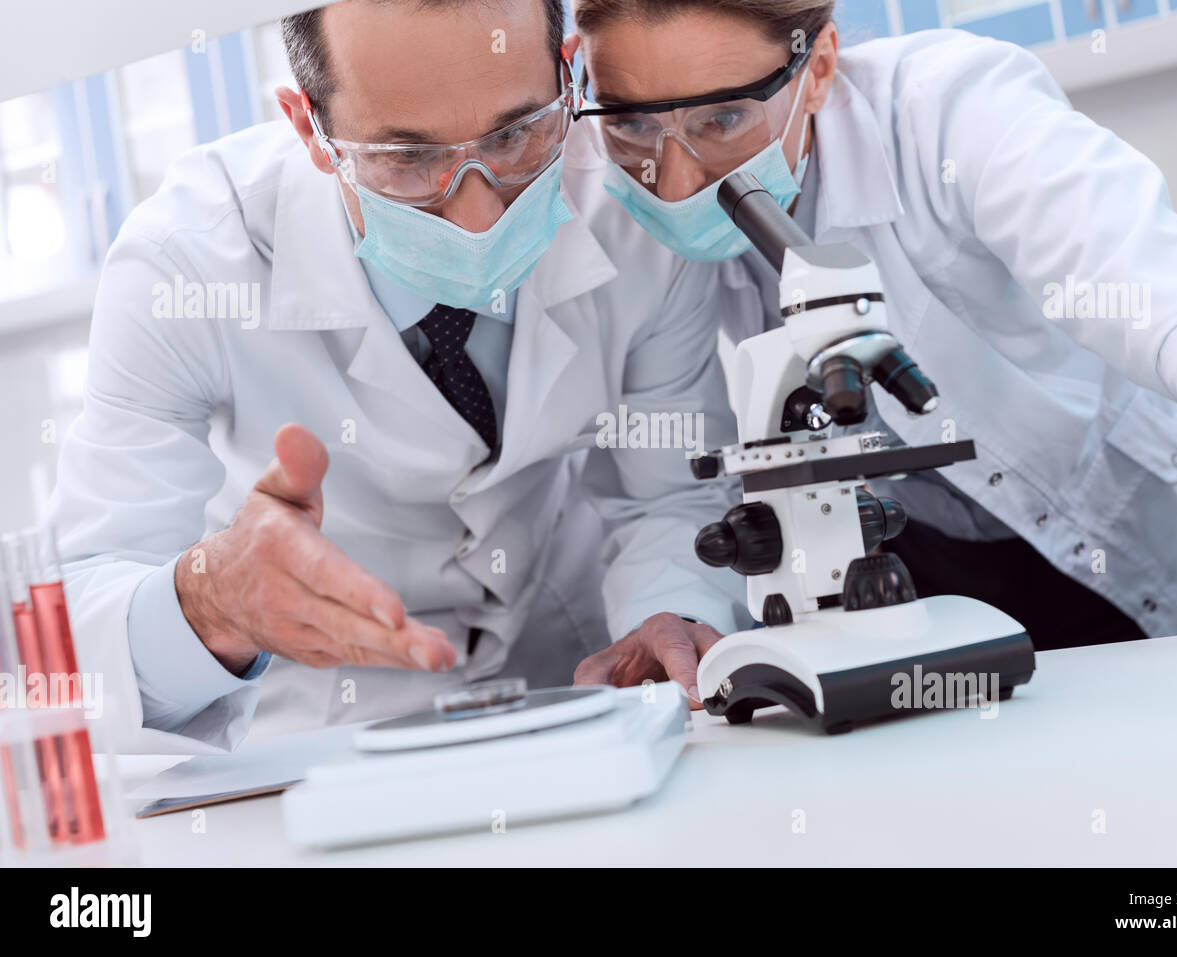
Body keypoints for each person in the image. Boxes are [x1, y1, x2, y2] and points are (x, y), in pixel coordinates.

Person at [50, 0, 750, 753]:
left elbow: (671, 496)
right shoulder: (184, 265)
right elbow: (83, 615)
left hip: (582, 692)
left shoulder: (636, 204)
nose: (479, 217)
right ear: (309, 129)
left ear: (567, 72)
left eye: (516, 135)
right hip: (324, 738)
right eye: (410, 159)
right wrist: (209, 602)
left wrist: (668, 609)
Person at [569, 0, 1177, 670]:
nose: (673, 182)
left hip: (1126, 519)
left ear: (818, 68)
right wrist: (674, 610)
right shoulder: (622, 217)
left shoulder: (951, 111)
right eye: (631, 124)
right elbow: (667, 489)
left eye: (722, 120)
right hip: (921, 564)